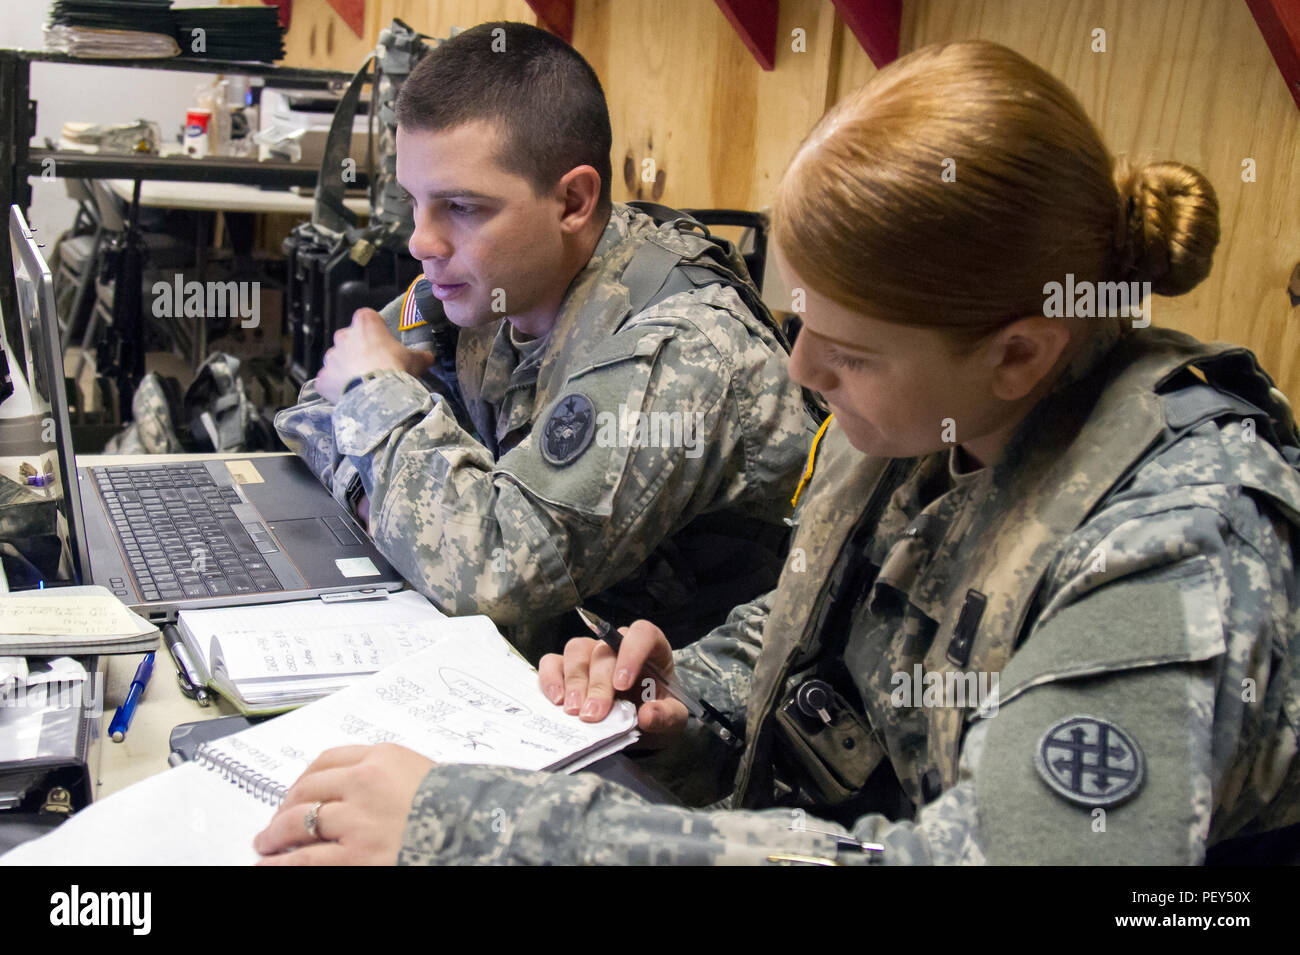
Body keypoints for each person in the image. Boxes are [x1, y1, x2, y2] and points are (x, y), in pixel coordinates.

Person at [253, 39, 1300, 865]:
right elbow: (850, 626)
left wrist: (475, 833)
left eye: (844, 350)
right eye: (801, 322)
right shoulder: (923, 421)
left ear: (1018, 353)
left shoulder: (1180, 543)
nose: (796, 371)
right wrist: (681, 702)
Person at [273, 21, 815, 656]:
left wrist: (378, 403)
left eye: (461, 208)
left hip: (685, 719)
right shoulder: (477, 281)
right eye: (413, 202)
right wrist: (395, 489)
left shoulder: (682, 350)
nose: (422, 242)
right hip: (567, 665)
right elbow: (315, 408)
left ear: (573, 201)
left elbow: (487, 575)